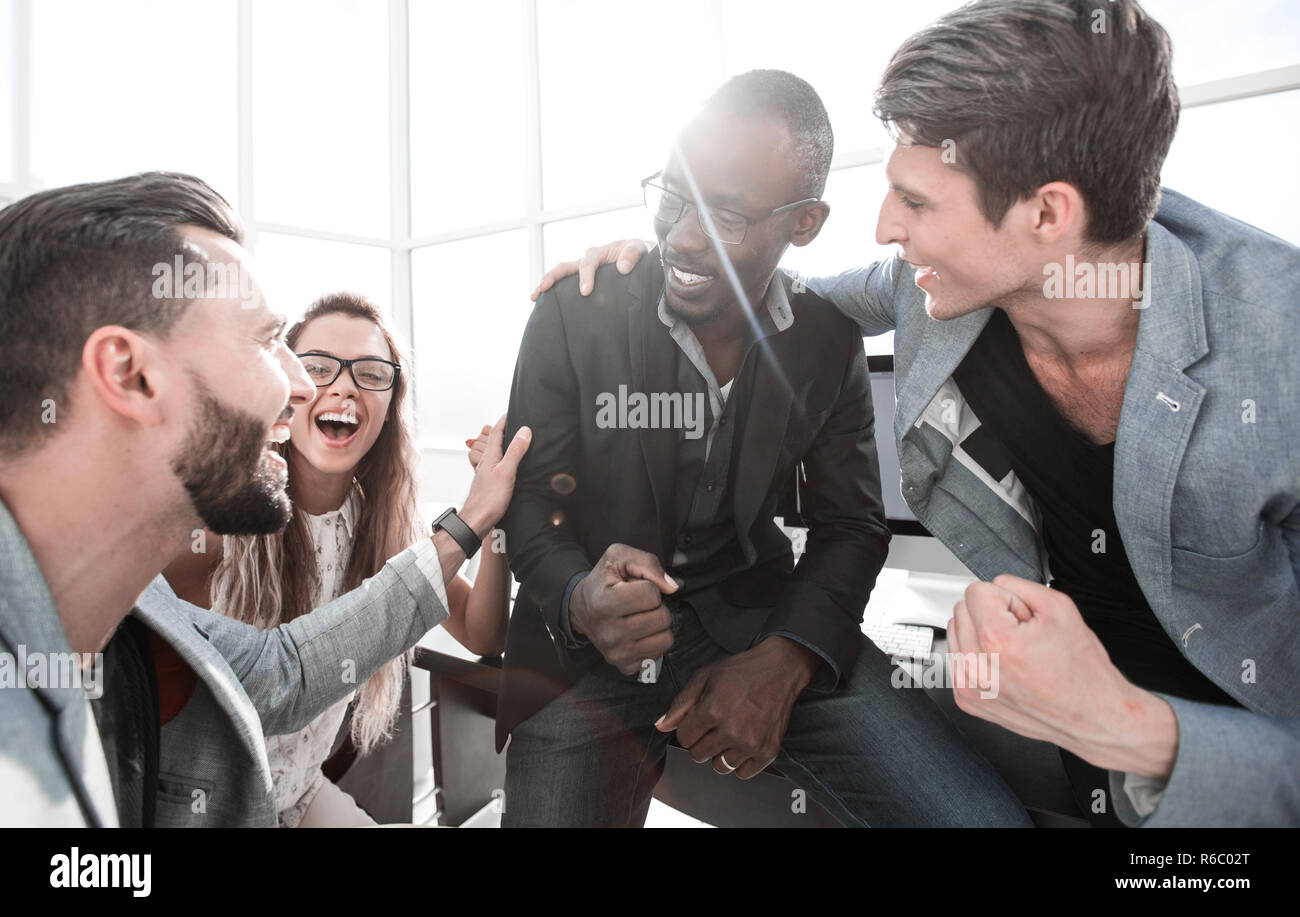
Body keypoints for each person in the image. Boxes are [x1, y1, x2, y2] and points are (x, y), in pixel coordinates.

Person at [532, 0, 1300, 827]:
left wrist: (1120, 723)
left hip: (1230, 750)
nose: (884, 227)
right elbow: (778, 297)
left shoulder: (1279, 354)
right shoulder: (936, 284)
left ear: (1048, 214)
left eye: (917, 202)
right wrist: (653, 266)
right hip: (1056, 713)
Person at [498, 70, 1030, 827]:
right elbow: (528, 499)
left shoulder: (826, 337)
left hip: (760, 628)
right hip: (584, 658)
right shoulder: (572, 310)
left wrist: (789, 657)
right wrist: (580, 597)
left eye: (728, 215)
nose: (683, 235)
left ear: (805, 223)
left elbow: (852, 524)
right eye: (674, 195)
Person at [0, 172, 529, 826]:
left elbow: (281, 677)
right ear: (130, 374)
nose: (303, 385)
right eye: (263, 342)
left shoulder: (131, 601)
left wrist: (489, 518)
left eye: (369, 372)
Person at [157, 292, 512, 826]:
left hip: (298, 795)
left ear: (391, 404)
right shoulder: (220, 521)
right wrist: (471, 519)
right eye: (318, 367)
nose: (344, 387)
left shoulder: (386, 525)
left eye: (370, 373)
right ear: (289, 387)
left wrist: (497, 516)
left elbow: (483, 634)